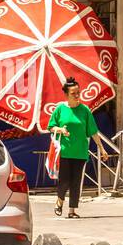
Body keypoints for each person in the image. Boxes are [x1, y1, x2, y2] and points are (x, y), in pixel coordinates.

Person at [47, 78, 108, 218]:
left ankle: (72, 210)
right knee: (65, 180)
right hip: (65, 151)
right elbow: (51, 127)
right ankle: (59, 201)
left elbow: (93, 131)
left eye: (78, 92)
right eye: (73, 93)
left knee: (76, 182)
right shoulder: (60, 109)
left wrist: (102, 148)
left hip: (80, 152)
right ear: (66, 95)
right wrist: (61, 130)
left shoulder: (85, 110)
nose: (76, 95)